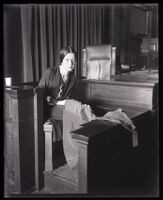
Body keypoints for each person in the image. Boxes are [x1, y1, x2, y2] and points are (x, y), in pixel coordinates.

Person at [38, 46, 76, 142]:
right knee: (75, 113)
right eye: (67, 60)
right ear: (61, 60)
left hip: (61, 108)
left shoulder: (72, 78)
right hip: (45, 108)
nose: (70, 63)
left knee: (79, 108)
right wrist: (57, 102)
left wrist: (66, 102)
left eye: (73, 60)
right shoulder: (50, 72)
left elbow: (68, 97)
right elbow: (39, 95)